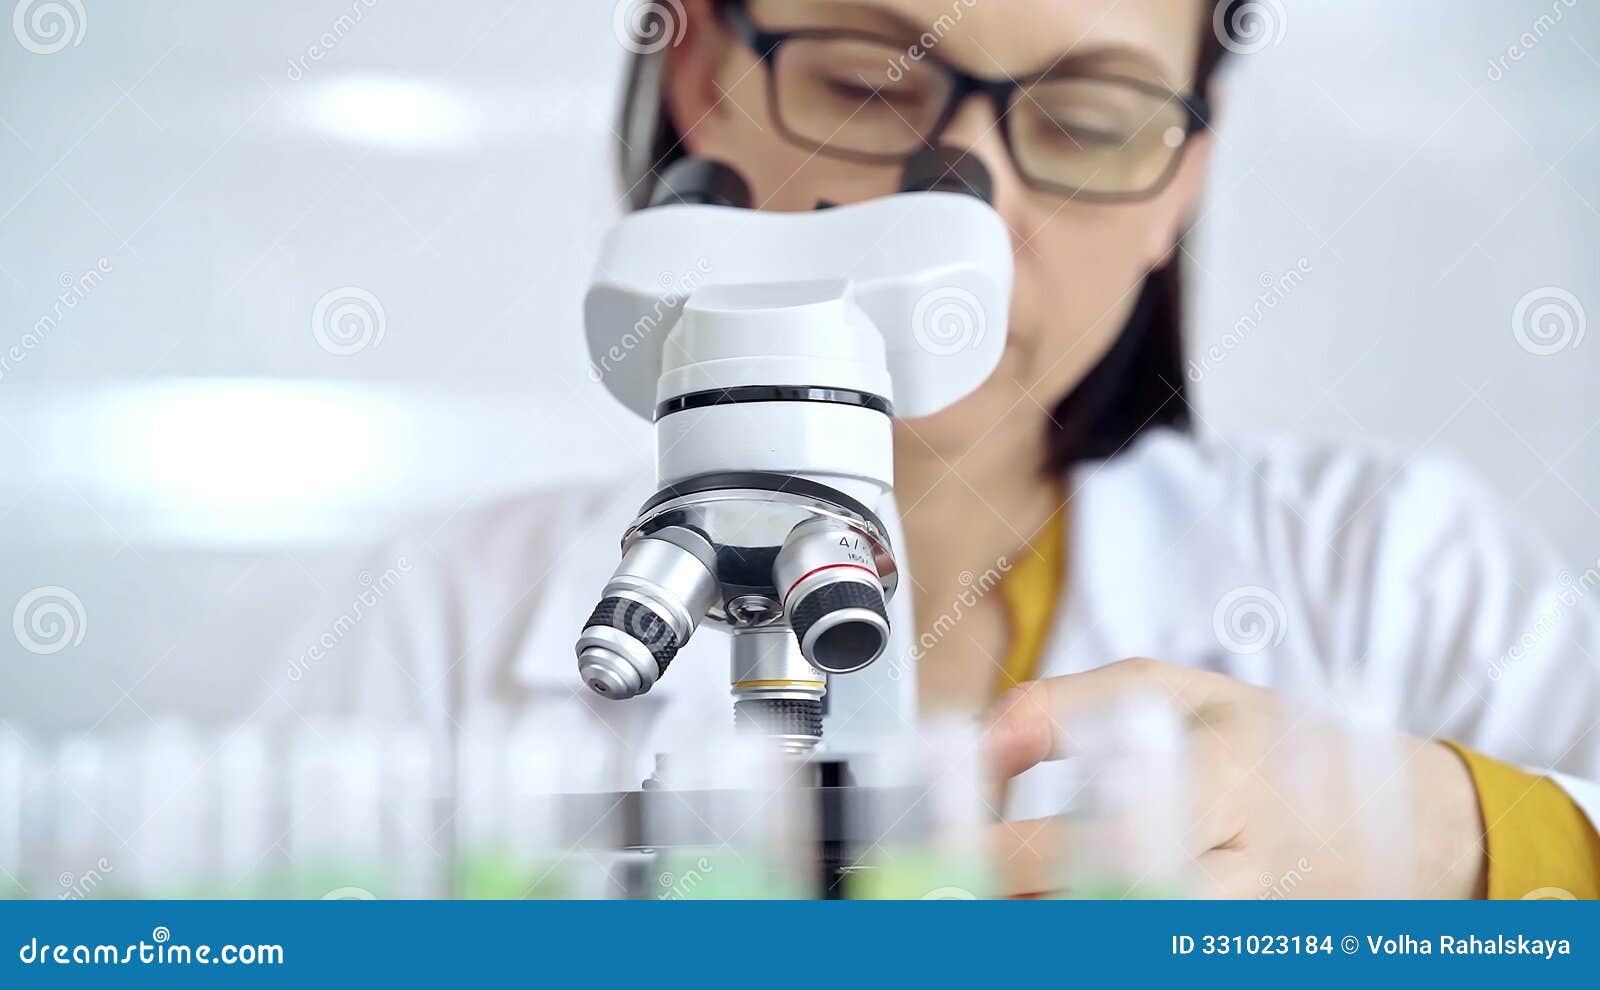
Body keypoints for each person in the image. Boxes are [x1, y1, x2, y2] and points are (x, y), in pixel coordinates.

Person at [281, 0, 1600, 898]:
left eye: (1086, 122)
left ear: (1182, 185)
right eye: (868, 82)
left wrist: (1441, 827)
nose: (955, 210)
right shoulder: (441, 619)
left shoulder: (1399, 577)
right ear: (701, 78)